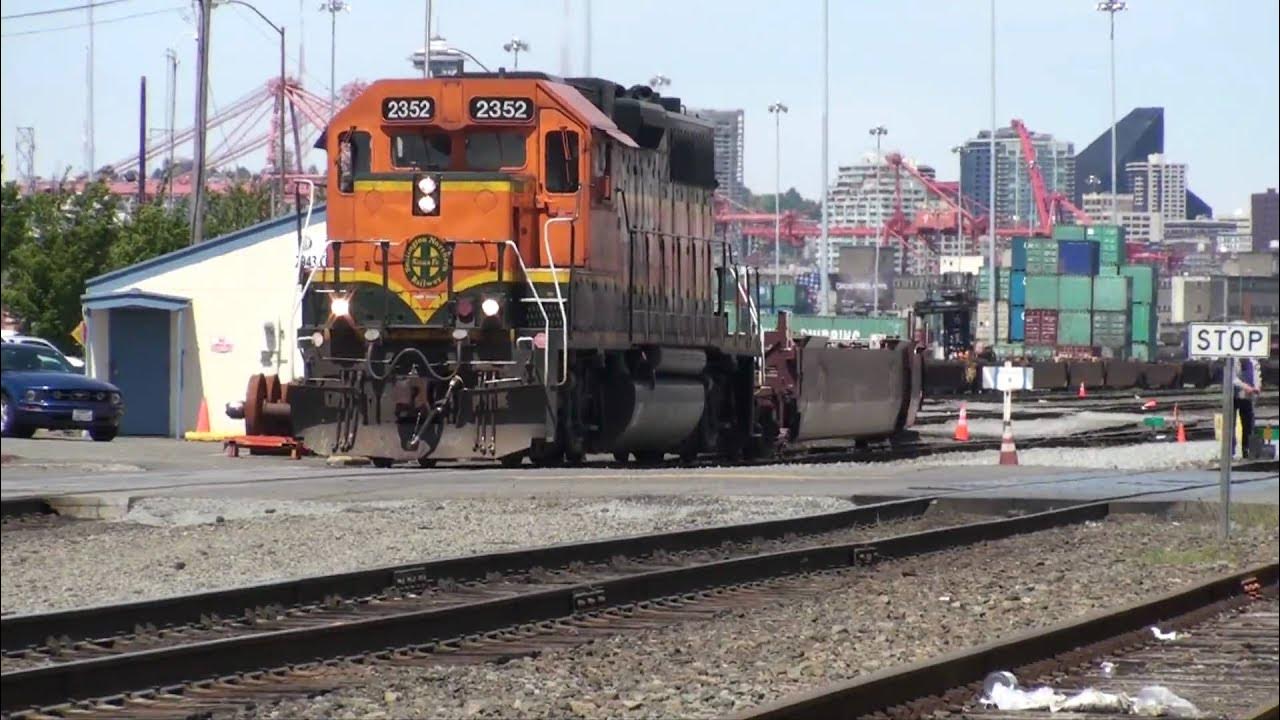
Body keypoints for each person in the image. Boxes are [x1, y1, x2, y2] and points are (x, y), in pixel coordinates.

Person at [1232, 357, 1262, 459]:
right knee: (1230, 425)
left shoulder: (1253, 361)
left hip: (1247, 397)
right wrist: (1246, 387)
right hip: (1233, 395)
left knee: (1248, 425)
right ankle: (1230, 451)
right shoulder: (1233, 360)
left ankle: (1247, 450)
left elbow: (1257, 375)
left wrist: (1257, 387)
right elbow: (1232, 378)